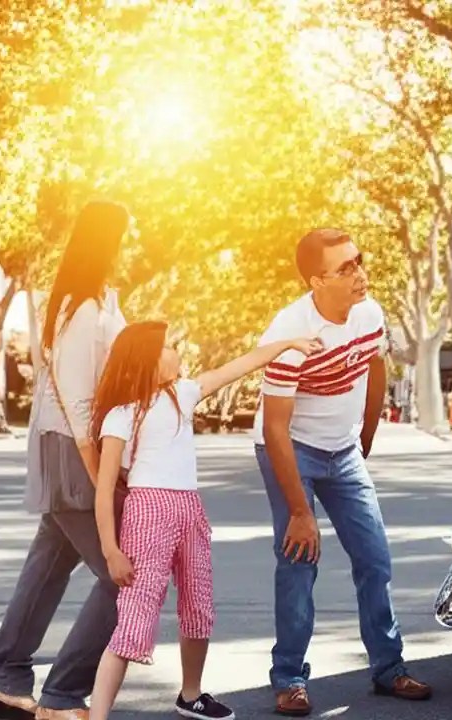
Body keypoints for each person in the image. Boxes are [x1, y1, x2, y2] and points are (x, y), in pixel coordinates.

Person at [84, 321, 323, 720]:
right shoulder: (121, 416)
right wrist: (111, 550)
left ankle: (190, 695)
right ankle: (98, 716)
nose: (176, 352)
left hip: (189, 509)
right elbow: (104, 489)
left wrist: (289, 342)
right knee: (135, 617)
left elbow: (242, 364)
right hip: (148, 512)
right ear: (147, 359)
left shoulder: (183, 393)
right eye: (168, 347)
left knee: (198, 605)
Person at [254, 228, 432, 717]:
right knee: (298, 561)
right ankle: (289, 678)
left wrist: (367, 434)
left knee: (374, 559)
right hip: (291, 450)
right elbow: (274, 427)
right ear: (316, 281)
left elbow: (376, 368)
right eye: (345, 268)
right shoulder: (290, 332)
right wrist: (298, 510)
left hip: (342, 450)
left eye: (359, 261)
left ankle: (388, 668)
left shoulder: (370, 312)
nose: (360, 274)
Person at [0, 201, 132, 720]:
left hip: (76, 445)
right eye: (121, 237)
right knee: (124, 574)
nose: (127, 246)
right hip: (75, 447)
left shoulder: (95, 301)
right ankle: (64, 693)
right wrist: (101, 479)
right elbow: (77, 400)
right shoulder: (82, 308)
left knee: (49, 563)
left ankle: (6, 676)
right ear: (104, 241)